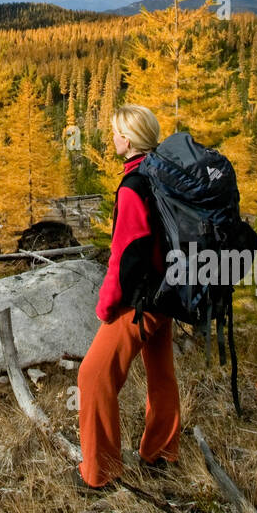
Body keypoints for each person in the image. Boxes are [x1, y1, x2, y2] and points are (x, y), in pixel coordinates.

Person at [76, 104, 180, 489]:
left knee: (93, 375)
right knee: (160, 372)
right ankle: (162, 453)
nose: (113, 137)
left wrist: (106, 306)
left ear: (130, 139)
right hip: (169, 294)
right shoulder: (163, 178)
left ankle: (100, 474)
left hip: (142, 302)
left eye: (118, 132)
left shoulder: (134, 186)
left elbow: (125, 255)